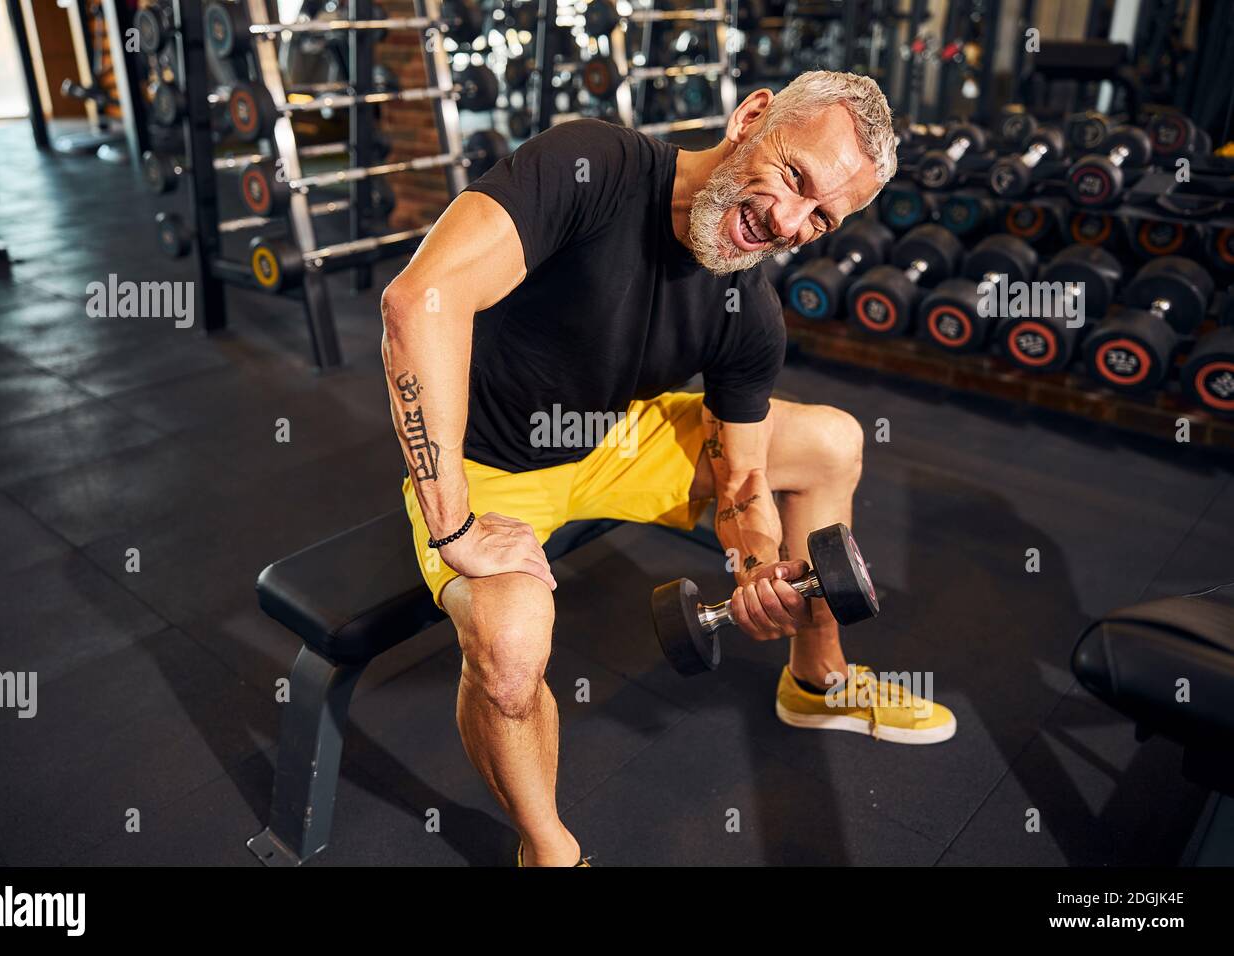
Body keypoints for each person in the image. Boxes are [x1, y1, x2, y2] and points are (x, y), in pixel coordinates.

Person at [380, 71, 956, 867]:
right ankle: (549, 850)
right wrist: (456, 525)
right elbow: (420, 302)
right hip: (488, 463)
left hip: (611, 439)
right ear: (753, 115)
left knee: (831, 442)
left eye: (821, 217)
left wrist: (756, 569)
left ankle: (817, 680)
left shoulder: (747, 312)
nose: (788, 223)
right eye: (795, 177)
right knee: (510, 655)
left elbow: (745, 481)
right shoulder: (592, 165)